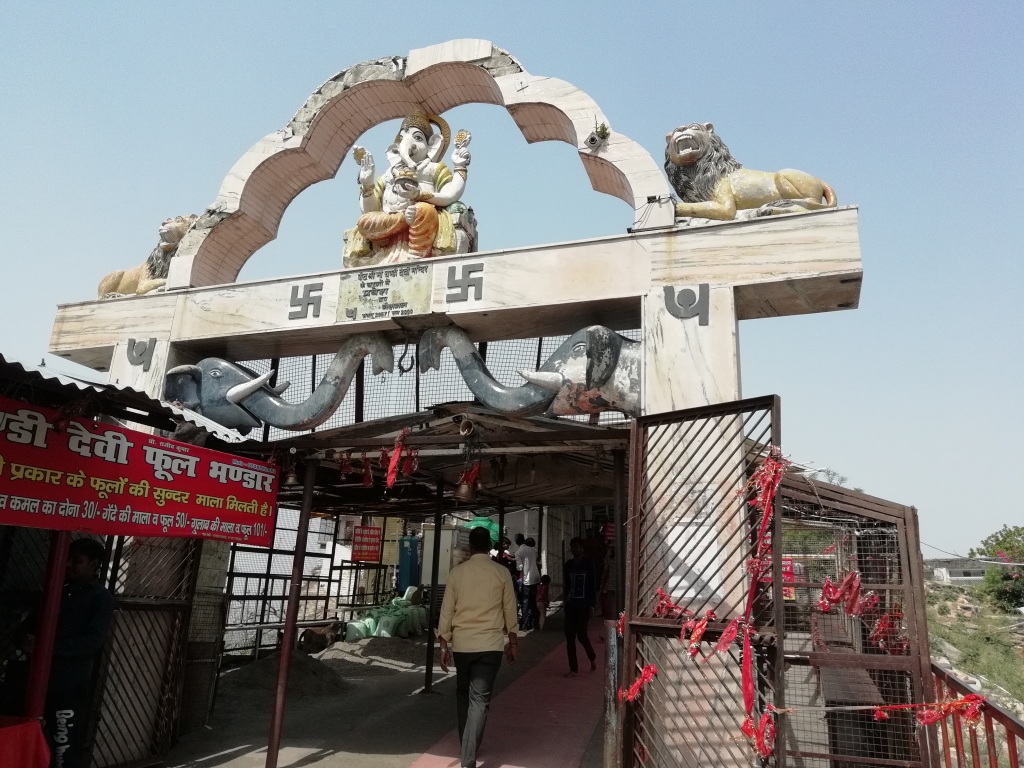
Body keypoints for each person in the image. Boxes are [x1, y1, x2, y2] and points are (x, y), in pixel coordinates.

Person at [17, 538, 115, 768]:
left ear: (94, 565)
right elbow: (27, 627)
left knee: (64, 748)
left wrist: (48, 649)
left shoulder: (100, 598)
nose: (70, 565)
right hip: (33, 682)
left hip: (69, 685)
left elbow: (92, 641)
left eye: (77, 561)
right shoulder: (56, 592)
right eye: (68, 559)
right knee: (27, 740)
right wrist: (25, 640)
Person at [438, 526, 518, 768]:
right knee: (480, 700)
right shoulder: (501, 573)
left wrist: (443, 646)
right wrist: (513, 642)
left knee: (464, 695)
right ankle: (469, 756)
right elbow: (510, 609)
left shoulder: (457, 573)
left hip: (463, 645)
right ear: (490, 546)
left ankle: (468, 747)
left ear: (470, 547)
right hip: (490, 646)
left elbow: (447, 611)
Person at [347, 112, 471, 264]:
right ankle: (400, 226)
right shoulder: (389, 174)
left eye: (417, 138)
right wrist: (367, 184)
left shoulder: (433, 168)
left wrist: (459, 166)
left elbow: (451, 193)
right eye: (403, 137)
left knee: (425, 210)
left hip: (419, 220)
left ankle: (417, 256)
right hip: (390, 222)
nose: (408, 142)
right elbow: (370, 209)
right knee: (364, 221)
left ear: (432, 145)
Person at [563, 537, 597, 677]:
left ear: (582, 549)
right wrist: (565, 601)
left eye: (577, 547)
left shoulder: (589, 564)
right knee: (569, 637)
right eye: (573, 547)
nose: (574, 549)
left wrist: (592, 605)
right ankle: (573, 668)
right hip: (571, 605)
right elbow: (566, 585)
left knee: (581, 635)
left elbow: (592, 585)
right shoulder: (568, 565)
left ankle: (592, 656)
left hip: (583, 605)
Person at [515, 536, 541, 630]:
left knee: (525, 602)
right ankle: (536, 624)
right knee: (534, 601)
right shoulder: (534, 550)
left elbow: (520, 567)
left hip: (526, 579)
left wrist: (521, 580)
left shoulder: (518, 552)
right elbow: (538, 562)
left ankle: (525, 625)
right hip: (536, 578)